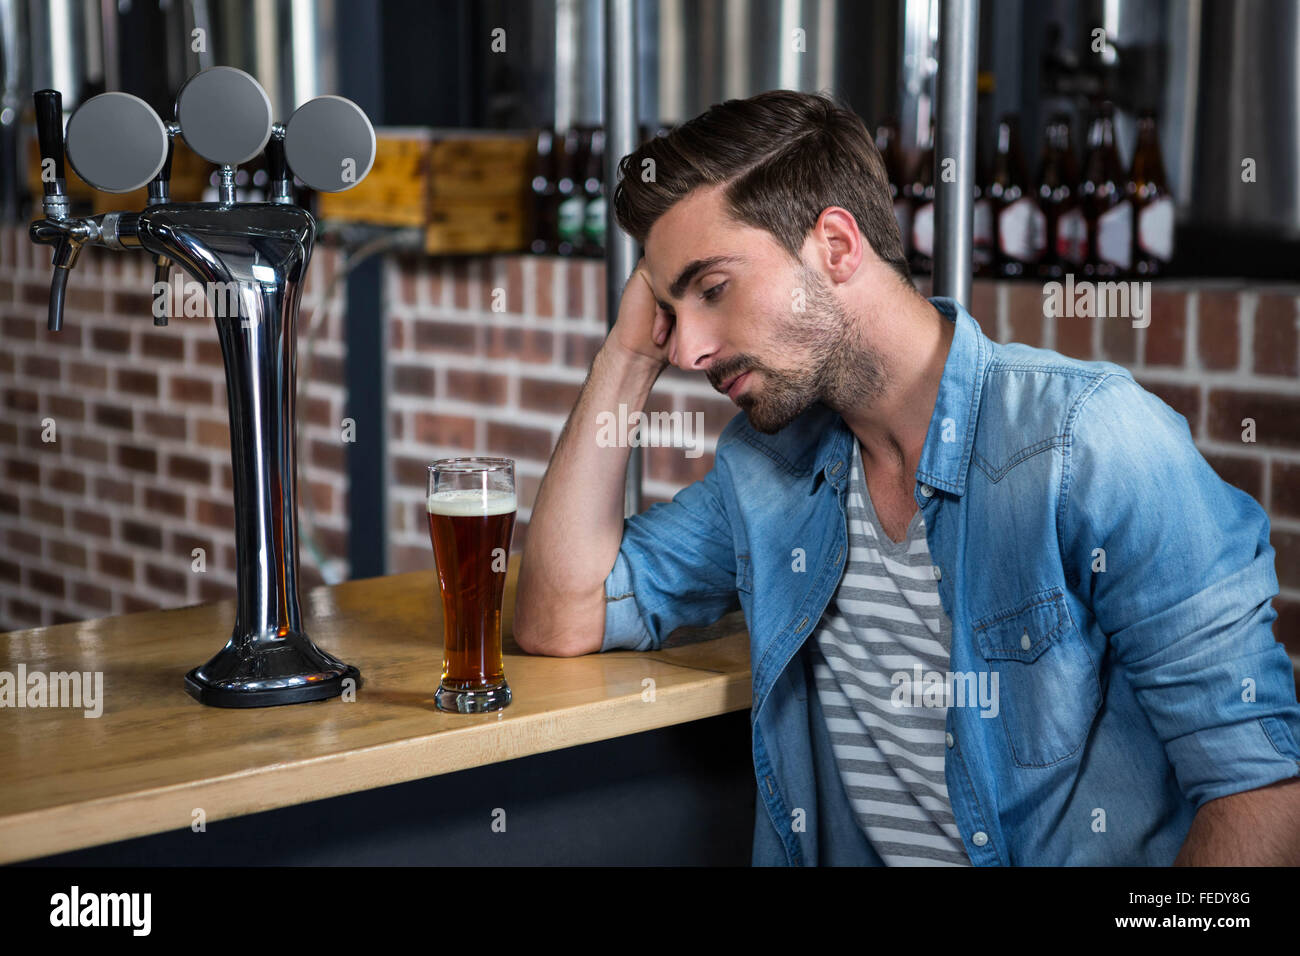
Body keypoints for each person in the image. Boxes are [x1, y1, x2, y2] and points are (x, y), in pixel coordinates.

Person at [512, 89, 1300, 865]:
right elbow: (562, 615)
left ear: (836, 246)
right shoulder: (768, 469)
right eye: (671, 308)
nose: (687, 349)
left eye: (713, 290)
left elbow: (1260, 792)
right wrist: (626, 356)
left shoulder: (1091, 441)